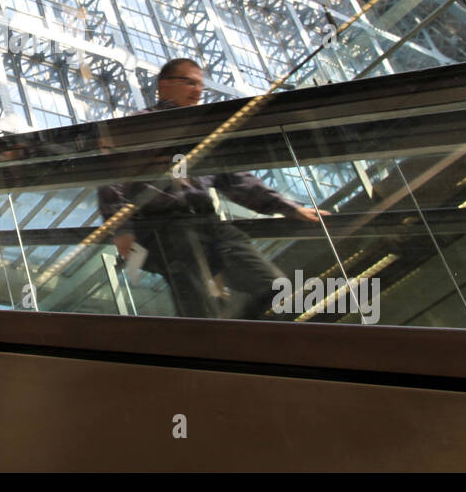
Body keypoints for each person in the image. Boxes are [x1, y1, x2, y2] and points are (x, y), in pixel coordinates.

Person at [99, 58, 325, 320]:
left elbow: (237, 180)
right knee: (199, 306)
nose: (197, 91)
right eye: (189, 82)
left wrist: (291, 208)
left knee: (275, 287)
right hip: (164, 228)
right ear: (165, 85)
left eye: (200, 85)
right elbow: (111, 177)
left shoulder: (202, 132)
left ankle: (232, 329)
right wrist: (121, 229)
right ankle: (214, 336)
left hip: (207, 223)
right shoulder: (140, 124)